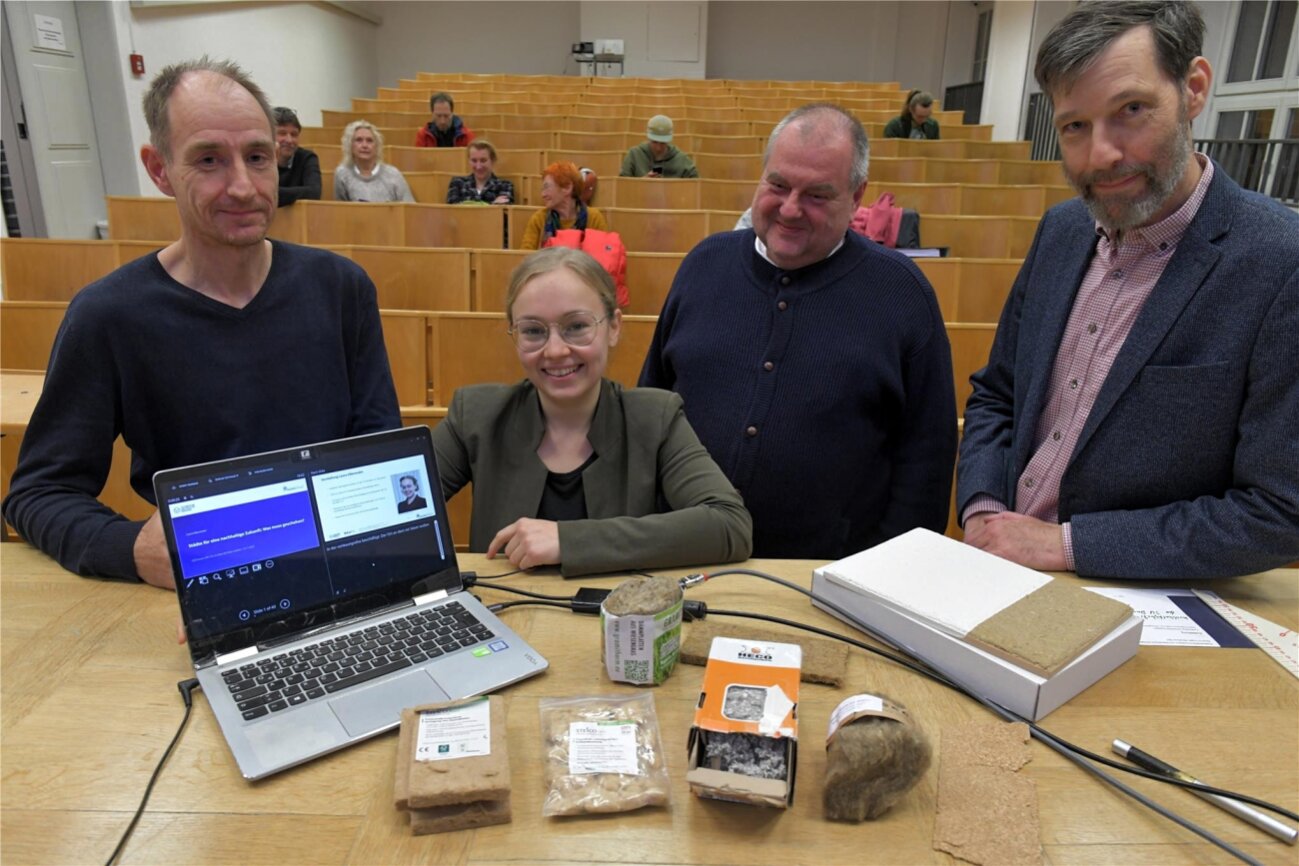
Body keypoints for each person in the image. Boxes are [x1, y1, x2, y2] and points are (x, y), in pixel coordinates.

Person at [1, 58, 401, 587]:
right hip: (198, 584)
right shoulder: (108, 315)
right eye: (209, 160)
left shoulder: (341, 288)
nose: (242, 186)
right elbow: (38, 494)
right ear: (160, 168)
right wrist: (128, 548)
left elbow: (380, 452)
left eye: (257, 157)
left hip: (338, 570)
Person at [956, 1, 1299, 579]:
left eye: (1131, 110)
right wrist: (985, 510)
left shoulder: (1281, 261)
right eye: (1075, 127)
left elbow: (1278, 512)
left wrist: (1062, 546)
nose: (1101, 156)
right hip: (1002, 567)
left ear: (1193, 89)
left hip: (1145, 596)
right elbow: (998, 394)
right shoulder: (1061, 231)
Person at [639, 104, 956, 560]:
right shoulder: (704, 264)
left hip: (833, 579)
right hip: (684, 557)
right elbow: (652, 406)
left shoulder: (902, 293)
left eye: (817, 195)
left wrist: (884, 576)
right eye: (778, 185)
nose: (790, 209)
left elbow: (926, 458)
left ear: (857, 195)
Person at [432, 247, 752, 575]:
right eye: (532, 331)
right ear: (514, 335)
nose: (555, 350)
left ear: (613, 327)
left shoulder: (655, 419)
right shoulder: (475, 415)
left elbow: (729, 524)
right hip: (500, 619)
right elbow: (390, 515)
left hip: (619, 620)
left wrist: (570, 541)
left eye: (576, 326)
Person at [519, 161, 608, 251]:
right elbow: (525, 257)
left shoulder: (594, 217)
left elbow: (603, 256)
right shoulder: (539, 218)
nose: (543, 194)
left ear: (567, 188)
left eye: (547, 187)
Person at [333, 120, 415, 202]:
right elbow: (341, 210)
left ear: (376, 146)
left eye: (369, 141)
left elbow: (409, 208)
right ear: (350, 145)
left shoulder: (393, 174)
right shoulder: (342, 174)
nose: (364, 145)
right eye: (359, 140)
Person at [619, 115, 699, 178]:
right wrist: (642, 183)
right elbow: (623, 185)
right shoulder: (634, 155)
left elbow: (695, 184)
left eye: (663, 143)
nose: (658, 148)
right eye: (655, 142)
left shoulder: (681, 159)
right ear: (648, 138)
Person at [273, 106, 321, 206]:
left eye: (294, 134)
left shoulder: (307, 158)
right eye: (282, 133)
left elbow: (314, 193)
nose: (289, 140)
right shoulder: (258, 159)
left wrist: (271, 193)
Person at [446, 140, 514, 205]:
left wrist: (466, 205)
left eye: (483, 160)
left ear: (493, 160)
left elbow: (502, 213)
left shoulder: (505, 186)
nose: (478, 166)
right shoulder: (457, 183)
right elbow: (453, 210)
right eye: (474, 161)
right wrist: (492, 205)